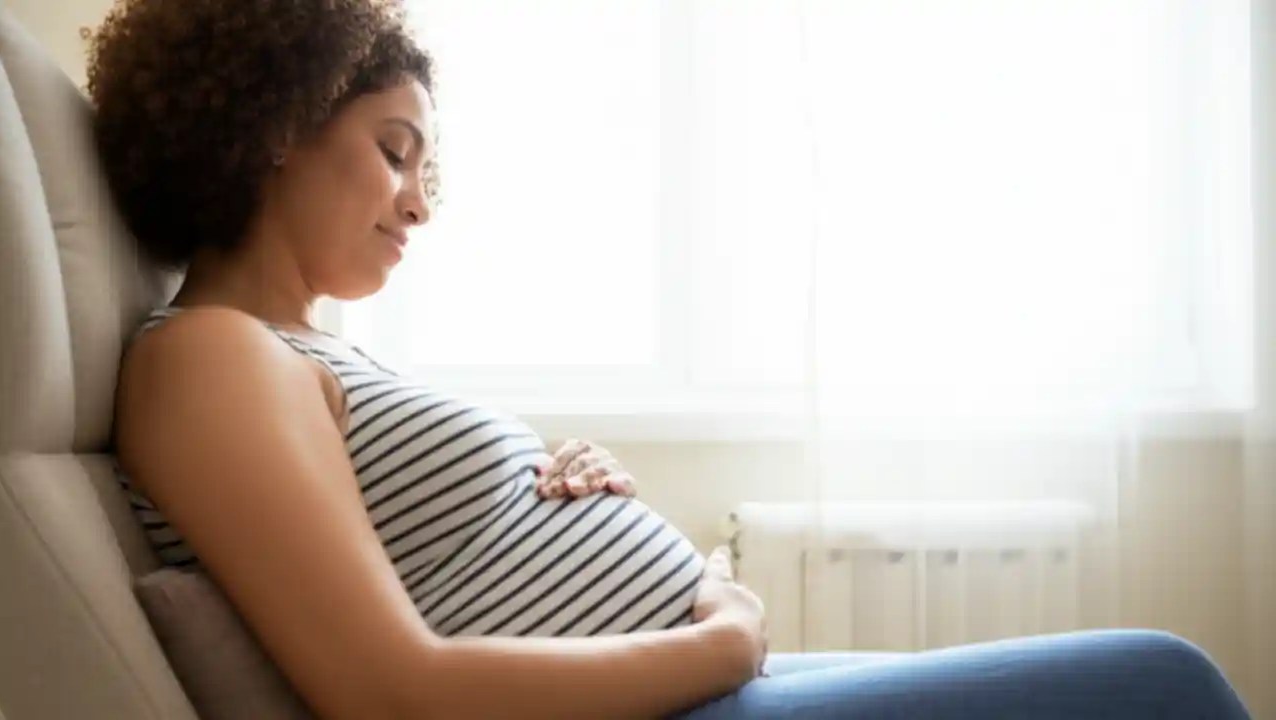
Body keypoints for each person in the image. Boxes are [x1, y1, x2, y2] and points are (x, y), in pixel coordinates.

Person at [93, 1, 1252, 718]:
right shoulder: (208, 357)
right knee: (1160, 683)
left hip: (696, 682)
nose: (417, 202)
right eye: (393, 152)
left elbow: (421, 565)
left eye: (423, 167)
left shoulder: (294, 352)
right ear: (275, 127)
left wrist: (537, 497)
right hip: (690, 691)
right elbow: (392, 693)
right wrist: (721, 634)